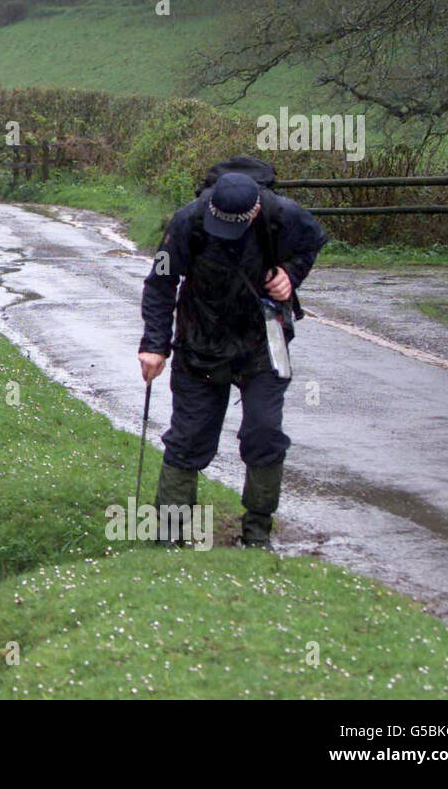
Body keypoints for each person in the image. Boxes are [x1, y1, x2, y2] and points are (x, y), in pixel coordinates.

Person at [138, 157, 327, 549]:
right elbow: (160, 283)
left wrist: (291, 275)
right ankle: (170, 536)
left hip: (262, 340)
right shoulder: (186, 222)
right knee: (188, 438)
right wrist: (154, 345)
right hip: (200, 340)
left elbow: (312, 243)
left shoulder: (283, 215)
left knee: (264, 432)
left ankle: (257, 533)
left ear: (255, 209)